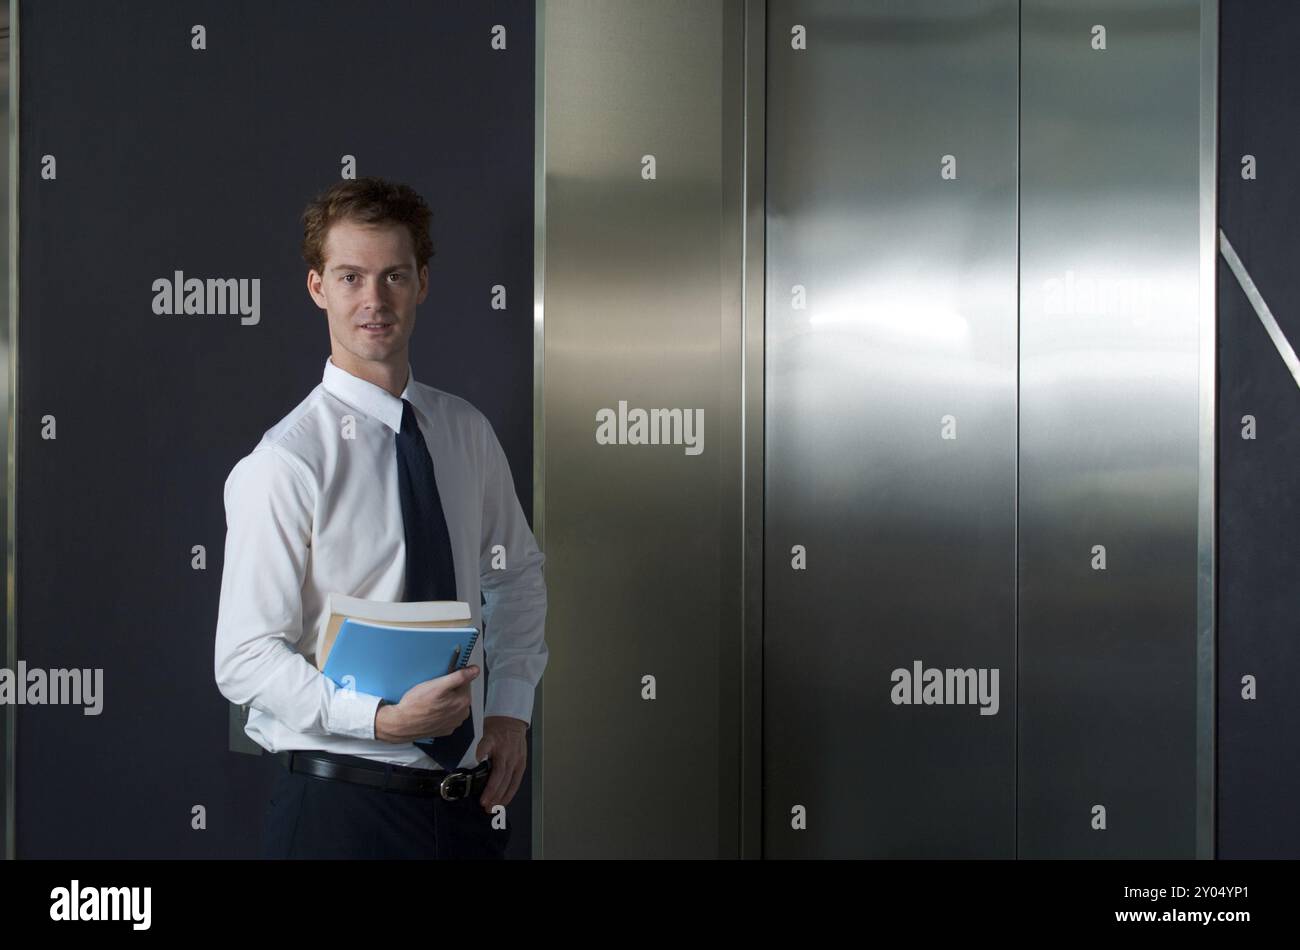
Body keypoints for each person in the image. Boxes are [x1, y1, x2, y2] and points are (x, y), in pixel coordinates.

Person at [213, 176, 548, 859]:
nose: (374, 299)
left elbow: (516, 578)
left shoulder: (464, 432)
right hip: (339, 813)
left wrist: (511, 710)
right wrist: (379, 720)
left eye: (394, 275)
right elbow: (244, 657)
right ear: (318, 288)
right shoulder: (286, 462)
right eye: (351, 277)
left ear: (422, 282)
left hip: (463, 811)